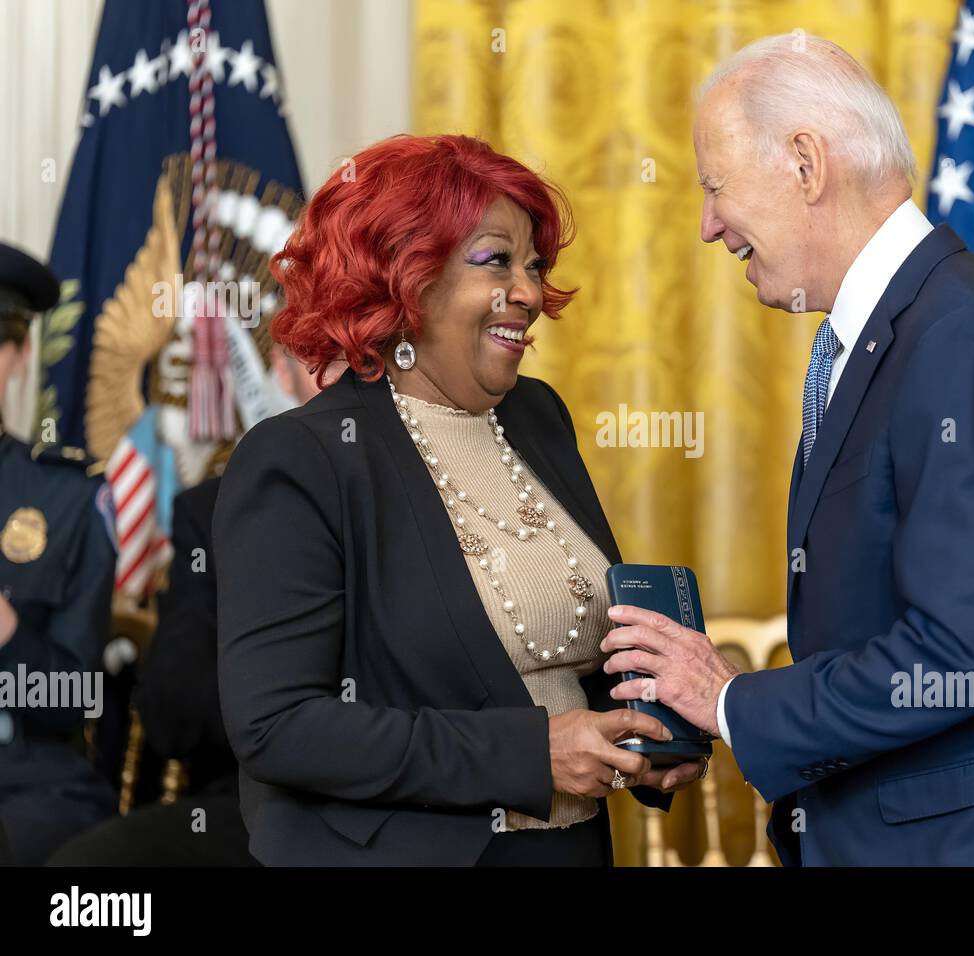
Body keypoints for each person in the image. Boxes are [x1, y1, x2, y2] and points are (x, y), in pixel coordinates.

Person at [600, 34, 974, 866]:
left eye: (717, 188)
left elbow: (958, 657)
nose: (708, 226)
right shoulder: (891, 333)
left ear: (806, 163)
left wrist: (733, 702)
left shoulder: (965, 333)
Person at [213, 134, 704, 867]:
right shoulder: (301, 458)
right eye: (495, 260)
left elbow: (565, 659)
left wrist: (646, 733)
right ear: (404, 278)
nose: (531, 293)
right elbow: (279, 726)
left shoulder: (538, 417)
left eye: (533, 265)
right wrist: (529, 754)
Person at [46, 346, 321, 867]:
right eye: (318, 352)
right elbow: (170, 714)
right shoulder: (217, 513)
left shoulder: (443, 491)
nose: (339, 372)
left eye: (359, 350)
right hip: (255, 812)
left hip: (410, 807)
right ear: (282, 370)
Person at [0, 242, 118, 865]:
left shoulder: (69, 497)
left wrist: (8, 629)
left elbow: (73, 700)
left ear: (18, 355)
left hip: (28, 779)